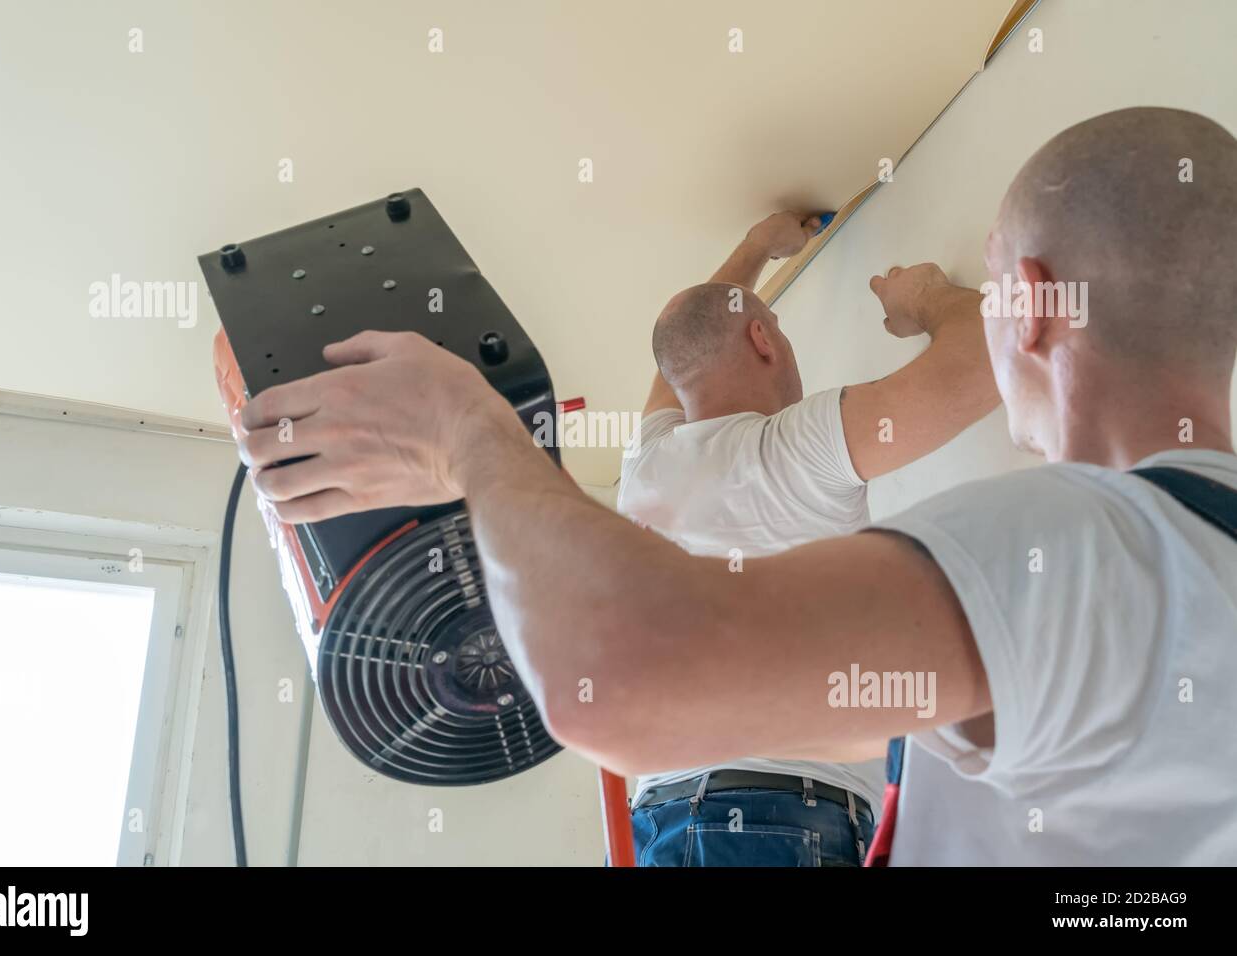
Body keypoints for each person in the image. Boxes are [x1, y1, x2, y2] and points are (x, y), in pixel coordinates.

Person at [235, 107, 1237, 864]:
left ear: (1025, 301)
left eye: (994, 284)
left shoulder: (1060, 547)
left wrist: (470, 432)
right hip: (773, 808)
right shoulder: (1175, 567)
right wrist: (921, 300)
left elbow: (620, 674)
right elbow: (845, 711)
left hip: (706, 803)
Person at [616, 211, 997, 866]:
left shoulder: (646, 467)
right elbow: (989, 356)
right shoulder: (798, 445)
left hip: (656, 822)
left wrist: (755, 248)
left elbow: (679, 351)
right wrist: (925, 298)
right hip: (777, 816)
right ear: (764, 340)